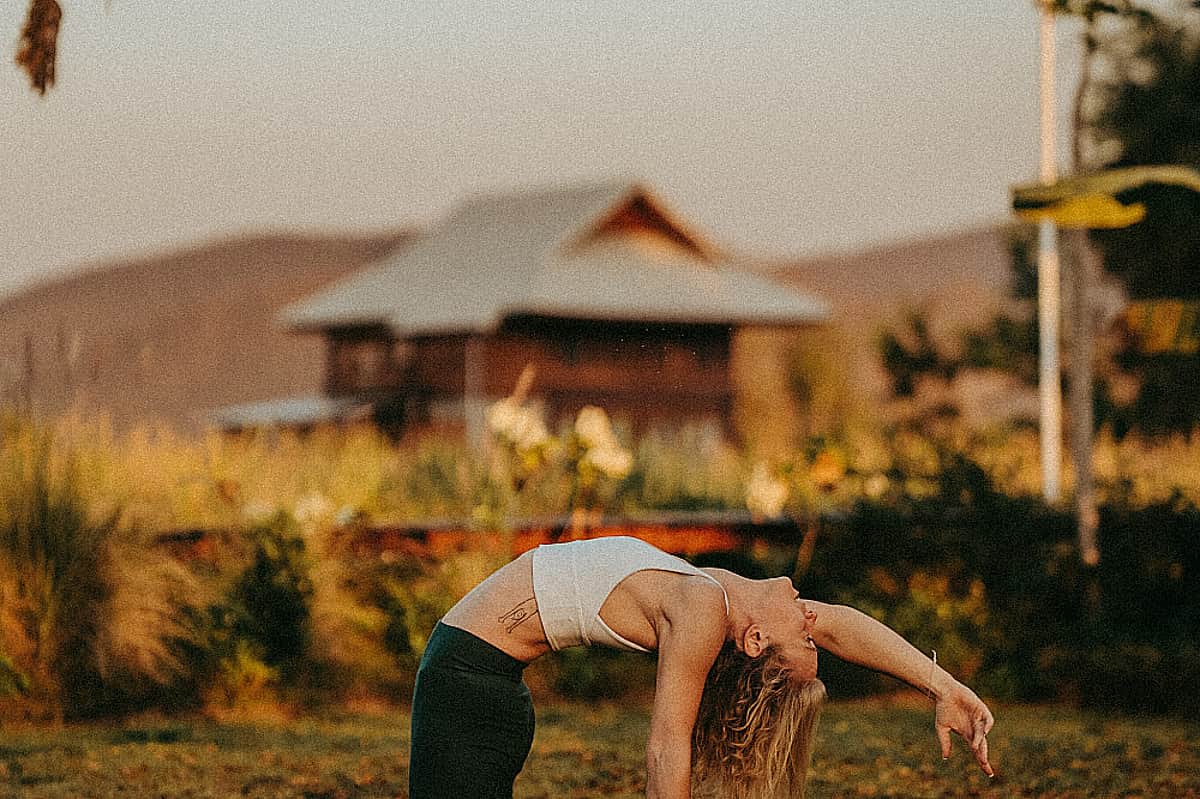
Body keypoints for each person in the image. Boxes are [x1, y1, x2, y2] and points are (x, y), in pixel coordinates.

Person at [408, 535, 994, 799]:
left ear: (758, 640)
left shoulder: (705, 609)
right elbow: (841, 624)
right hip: (479, 689)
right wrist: (942, 684)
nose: (813, 618)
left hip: (467, 684)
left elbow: (667, 748)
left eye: (807, 637)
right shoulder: (715, 596)